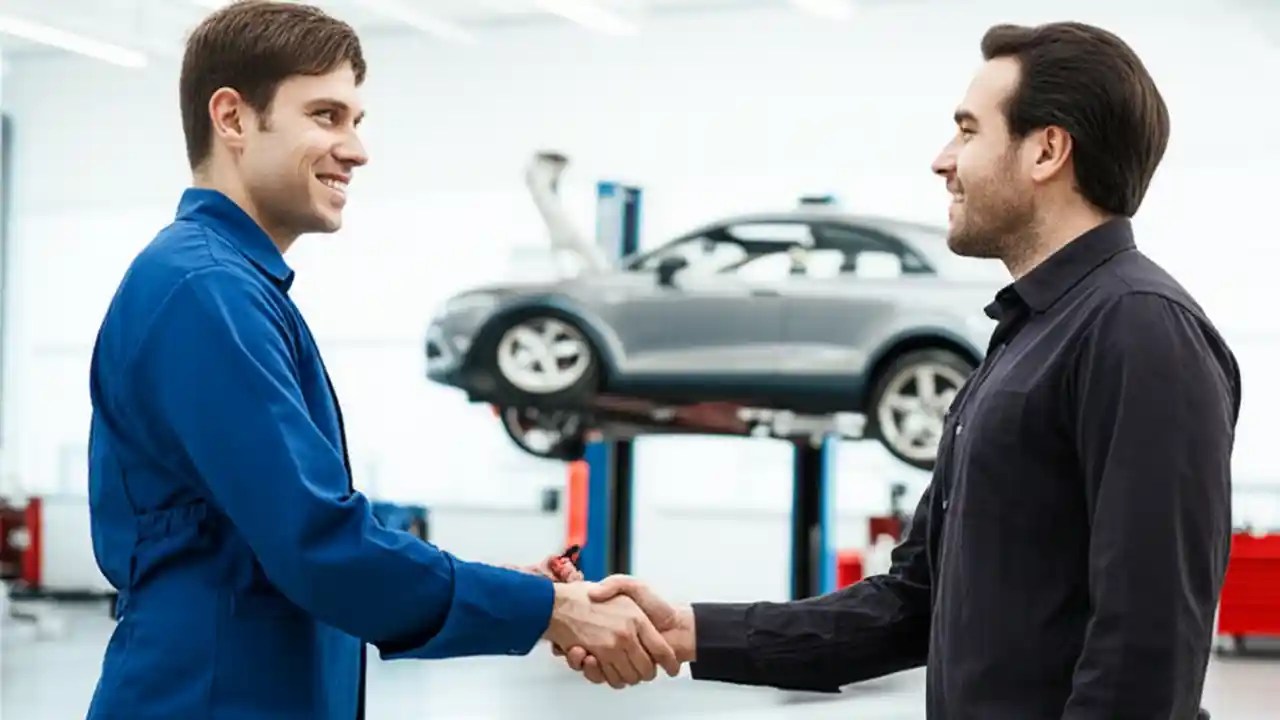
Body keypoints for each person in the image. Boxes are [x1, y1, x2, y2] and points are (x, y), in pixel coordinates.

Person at [555, 20, 1241, 720]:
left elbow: (1147, 653)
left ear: (1047, 150)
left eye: (969, 131)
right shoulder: (1022, 338)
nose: (944, 161)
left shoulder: (1140, 329)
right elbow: (912, 605)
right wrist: (690, 629)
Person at [83, 3, 675, 719]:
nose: (356, 150)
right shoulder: (206, 292)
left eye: (356, 122)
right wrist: (546, 608)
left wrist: (496, 586)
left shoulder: (227, 286)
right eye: (327, 116)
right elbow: (319, 549)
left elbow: (286, 549)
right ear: (233, 119)